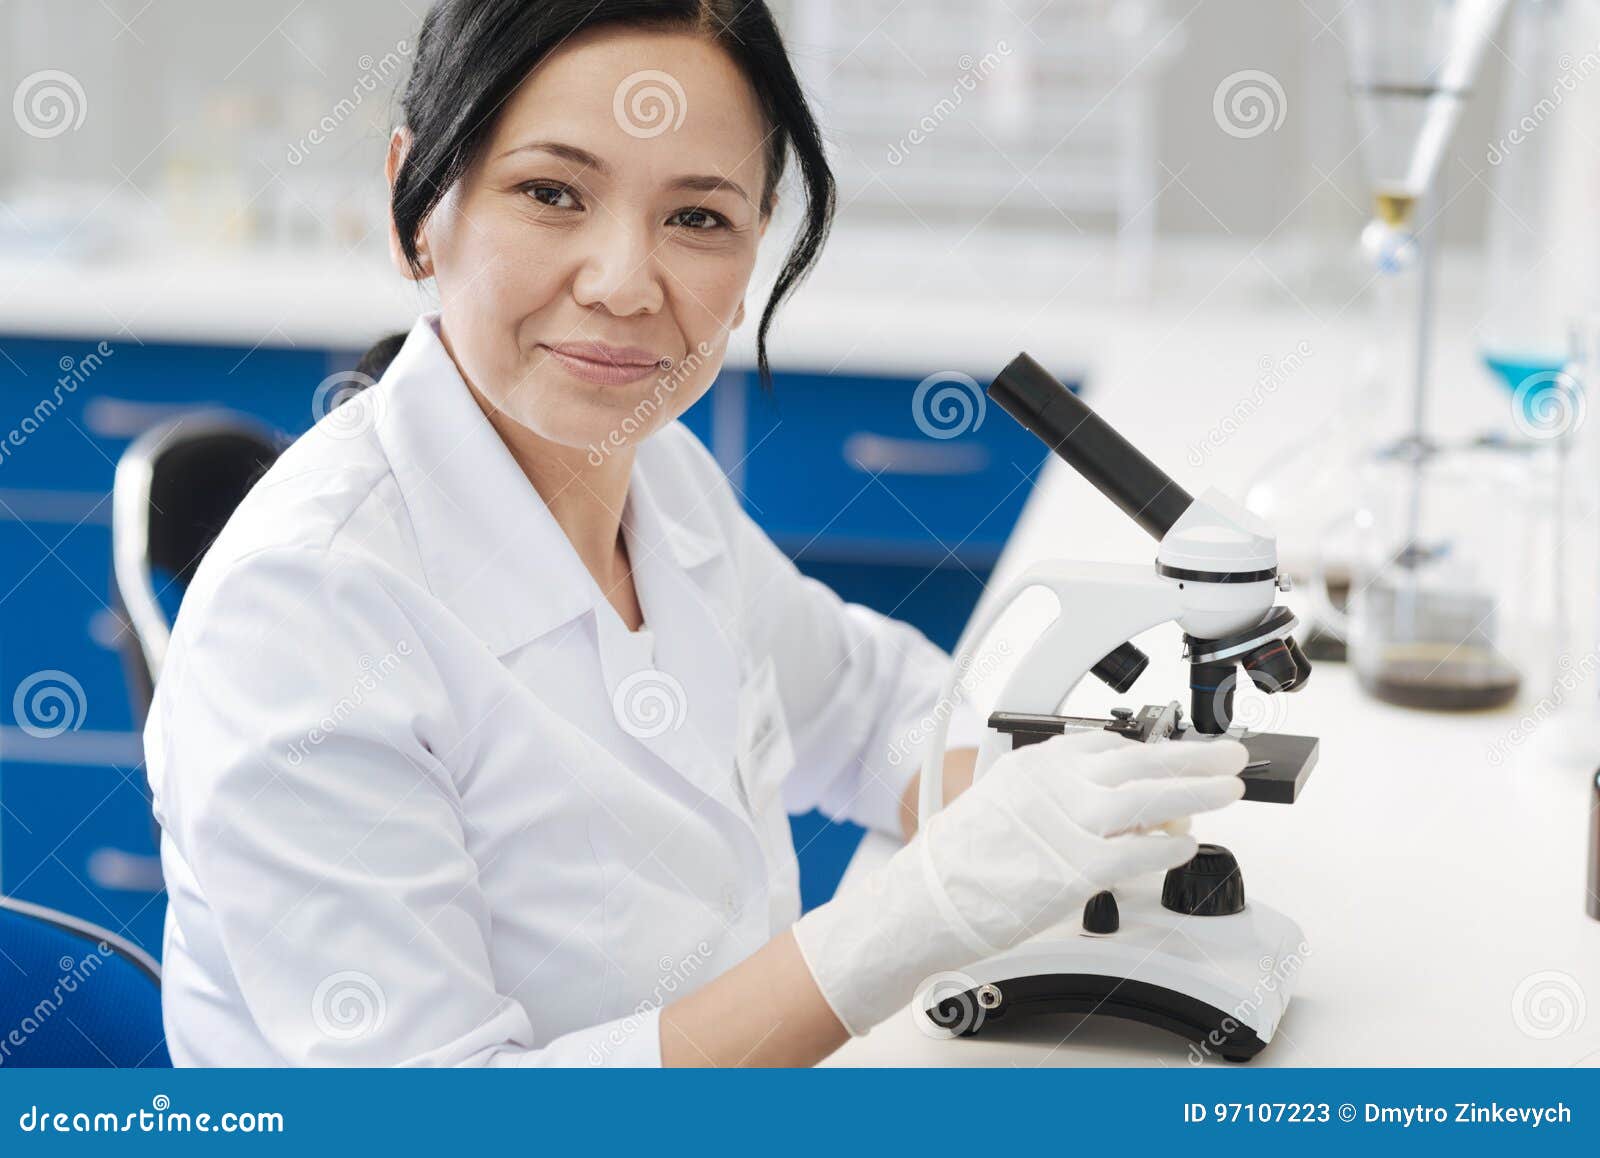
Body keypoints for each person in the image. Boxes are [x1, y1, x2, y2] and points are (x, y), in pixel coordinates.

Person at [145, 0, 1247, 1067]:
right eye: (550, 192)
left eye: (697, 218)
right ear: (412, 208)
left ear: (757, 238)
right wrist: (920, 914)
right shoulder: (302, 611)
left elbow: (865, 714)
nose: (625, 285)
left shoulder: (651, 469)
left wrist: (1059, 809)